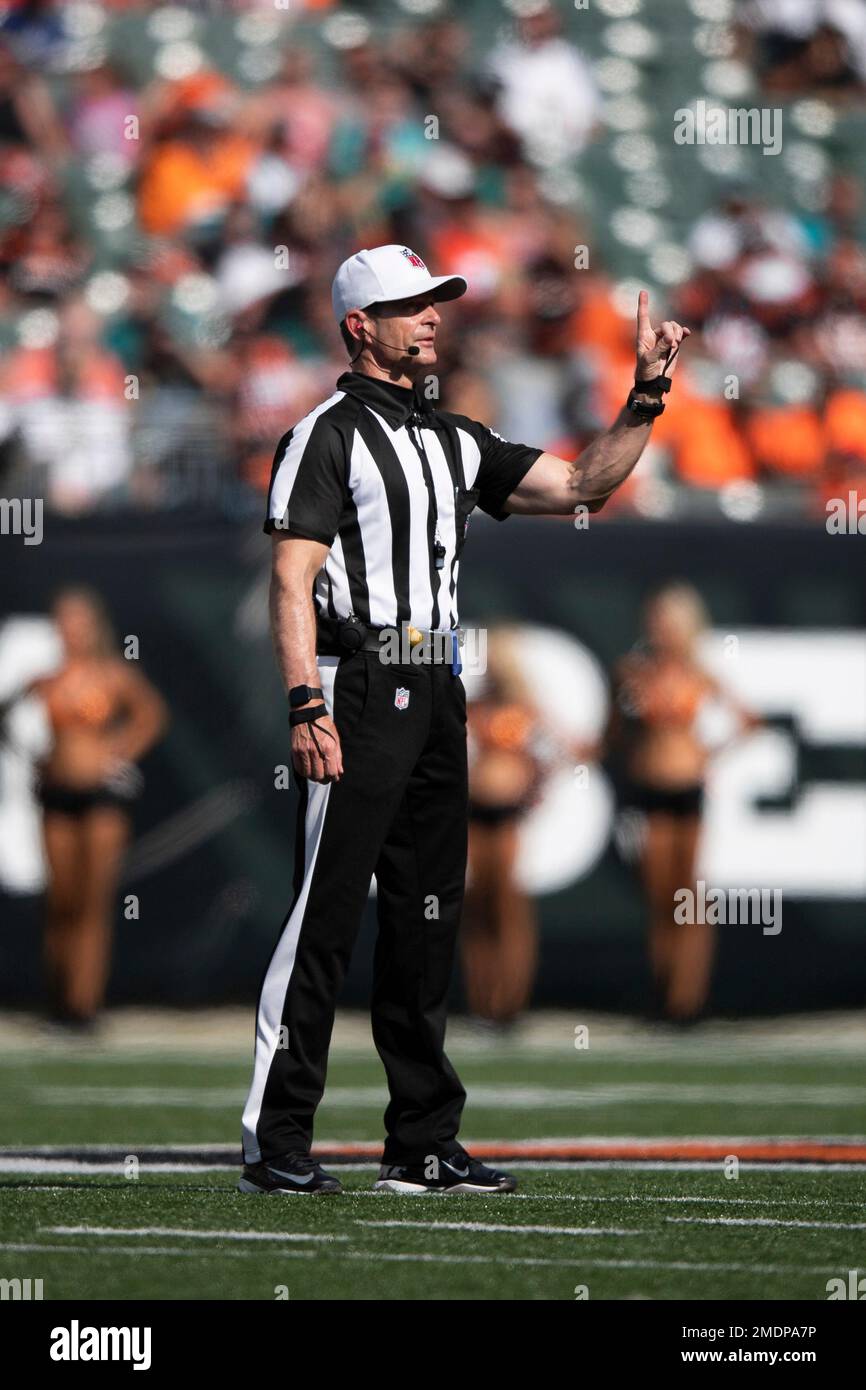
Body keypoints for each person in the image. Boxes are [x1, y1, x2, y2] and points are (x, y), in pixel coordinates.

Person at [239, 242, 689, 1196]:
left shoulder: (453, 438)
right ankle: (277, 1142)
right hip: (355, 679)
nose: (435, 315)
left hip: (435, 683)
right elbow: (290, 579)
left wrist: (644, 397)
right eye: (413, 304)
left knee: (425, 920)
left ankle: (423, 1142)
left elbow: (580, 486)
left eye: (440, 299)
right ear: (361, 325)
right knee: (323, 919)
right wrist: (304, 700)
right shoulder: (325, 433)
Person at [607, 584, 759, 1022]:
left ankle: (688, 999)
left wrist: (707, 755)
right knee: (659, 896)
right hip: (648, 790)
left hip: (688, 789)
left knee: (689, 896)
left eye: (668, 621)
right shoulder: (632, 673)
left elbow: (749, 720)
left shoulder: (699, 674)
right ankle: (663, 989)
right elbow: (614, 732)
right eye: (655, 620)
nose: (661, 629)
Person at [30, 587, 168, 1033]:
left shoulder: (113, 676)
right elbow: (17, 723)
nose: (71, 630)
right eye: (63, 621)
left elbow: (151, 714)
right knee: (62, 900)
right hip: (57, 794)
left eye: (78, 620)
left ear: (94, 626)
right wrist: (36, 758)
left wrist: (119, 751)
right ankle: (56, 1000)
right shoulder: (45, 681)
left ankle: (83, 1006)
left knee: (93, 902)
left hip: (102, 797)